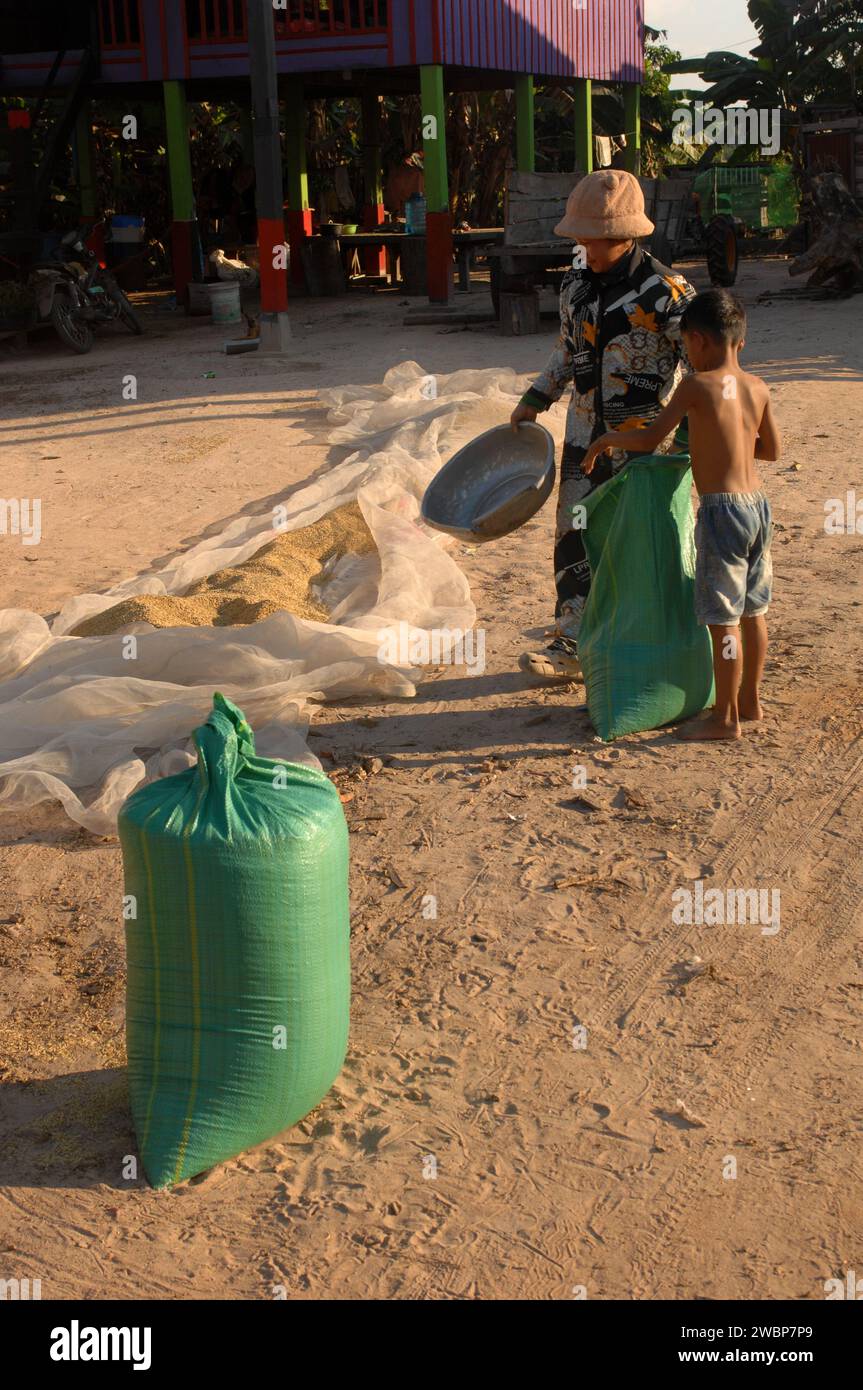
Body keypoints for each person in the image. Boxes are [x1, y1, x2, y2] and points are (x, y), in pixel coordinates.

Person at [510, 169, 697, 678]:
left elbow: (703, 371)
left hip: (645, 446)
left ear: (627, 236)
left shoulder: (669, 293)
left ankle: (647, 641)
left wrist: (686, 436)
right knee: (575, 531)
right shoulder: (574, 285)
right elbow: (567, 351)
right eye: (581, 241)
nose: (586, 250)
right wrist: (537, 395)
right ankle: (571, 641)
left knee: (642, 541)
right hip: (581, 439)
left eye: (594, 242)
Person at [581, 289, 781, 741]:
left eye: (687, 345)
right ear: (741, 343)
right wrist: (729, 442)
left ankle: (724, 719)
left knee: (723, 619)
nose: (687, 353)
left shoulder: (694, 385)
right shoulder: (758, 387)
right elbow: (770, 450)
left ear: (698, 341)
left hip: (722, 513)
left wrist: (606, 440)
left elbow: (651, 438)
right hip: (758, 507)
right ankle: (751, 701)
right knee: (754, 611)